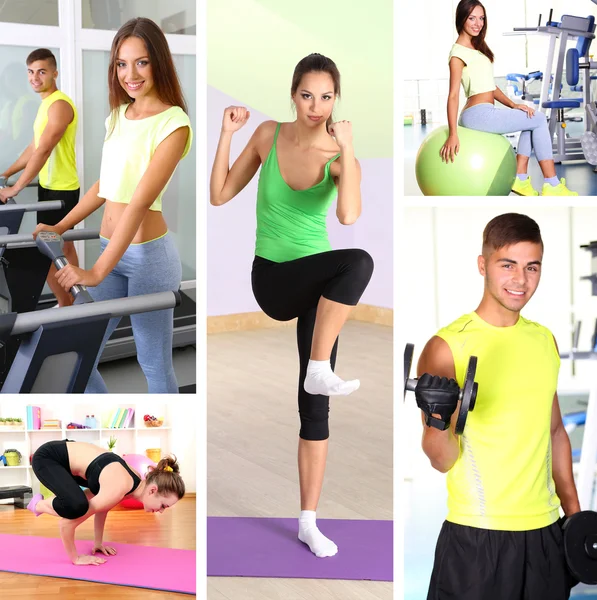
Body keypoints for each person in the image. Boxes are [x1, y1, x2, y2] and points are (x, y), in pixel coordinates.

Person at [210, 53, 374, 559]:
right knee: (360, 262)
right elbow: (218, 194)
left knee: (315, 407)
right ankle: (319, 367)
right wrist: (226, 134)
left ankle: (308, 522)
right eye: (307, 95)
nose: (316, 106)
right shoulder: (269, 135)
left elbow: (347, 216)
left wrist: (346, 152)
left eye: (326, 97)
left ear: (336, 101)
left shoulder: (340, 154)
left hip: (319, 290)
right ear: (293, 94)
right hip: (275, 280)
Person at [415, 213, 579, 600]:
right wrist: (440, 417)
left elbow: (554, 431)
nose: (521, 280)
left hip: (545, 535)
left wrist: (574, 515)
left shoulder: (544, 341)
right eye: (508, 265)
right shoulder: (446, 347)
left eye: (531, 267)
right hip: (477, 538)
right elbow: (440, 459)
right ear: (483, 265)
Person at [33, 17, 193, 393]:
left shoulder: (174, 123)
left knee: (153, 363)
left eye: (141, 62)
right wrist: (60, 227)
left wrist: (94, 273)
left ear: (159, 62)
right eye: (122, 63)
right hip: (112, 248)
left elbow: (138, 202)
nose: (130, 74)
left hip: (149, 257)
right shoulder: (118, 116)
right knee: (78, 352)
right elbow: (105, 186)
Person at [441, 0, 577, 197]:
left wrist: (514, 105)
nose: (478, 23)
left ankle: (521, 180)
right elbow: (453, 95)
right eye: (472, 18)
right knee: (538, 119)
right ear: (461, 19)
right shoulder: (458, 54)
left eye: (481, 18)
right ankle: (551, 184)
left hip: (486, 111)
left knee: (530, 117)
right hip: (477, 114)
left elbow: (491, 87)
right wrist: (453, 133)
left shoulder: (477, 49)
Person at [0, 48, 81, 307]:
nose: (35, 77)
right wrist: (8, 173)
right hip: (49, 187)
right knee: (62, 247)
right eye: (31, 72)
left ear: (55, 73)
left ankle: (66, 303)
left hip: (62, 190)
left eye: (42, 72)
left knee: (49, 249)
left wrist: (17, 188)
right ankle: (69, 302)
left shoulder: (59, 105)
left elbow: (45, 149)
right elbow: (34, 146)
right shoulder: (45, 104)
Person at [27, 440, 185, 565]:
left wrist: (98, 543)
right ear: (152, 490)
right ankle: (38, 505)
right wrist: (76, 558)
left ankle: (42, 504)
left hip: (69, 458)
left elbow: (103, 508)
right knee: (76, 508)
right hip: (48, 458)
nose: (162, 511)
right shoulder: (120, 486)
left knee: (80, 504)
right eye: (163, 505)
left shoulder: (133, 483)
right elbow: (66, 524)